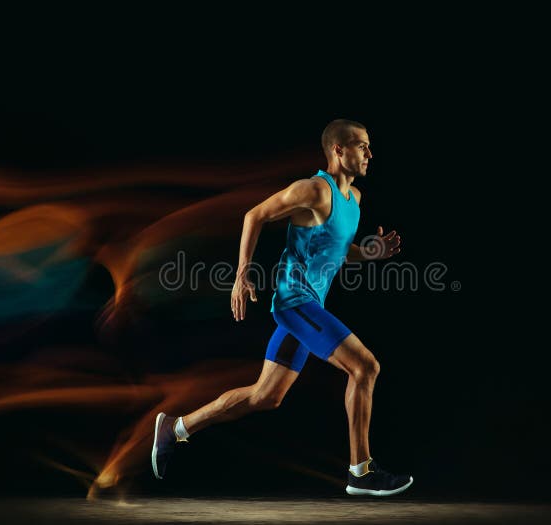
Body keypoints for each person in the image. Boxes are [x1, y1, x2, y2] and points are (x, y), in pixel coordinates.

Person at [152, 119, 412, 496]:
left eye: (369, 146)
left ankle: (175, 428)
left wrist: (371, 252)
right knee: (365, 367)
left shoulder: (354, 200)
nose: (370, 153)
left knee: (265, 396)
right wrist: (242, 274)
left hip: (310, 306)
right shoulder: (313, 190)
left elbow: (337, 250)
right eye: (361, 146)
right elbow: (254, 215)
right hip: (294, 301)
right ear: (338, 150)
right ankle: (361, 471)